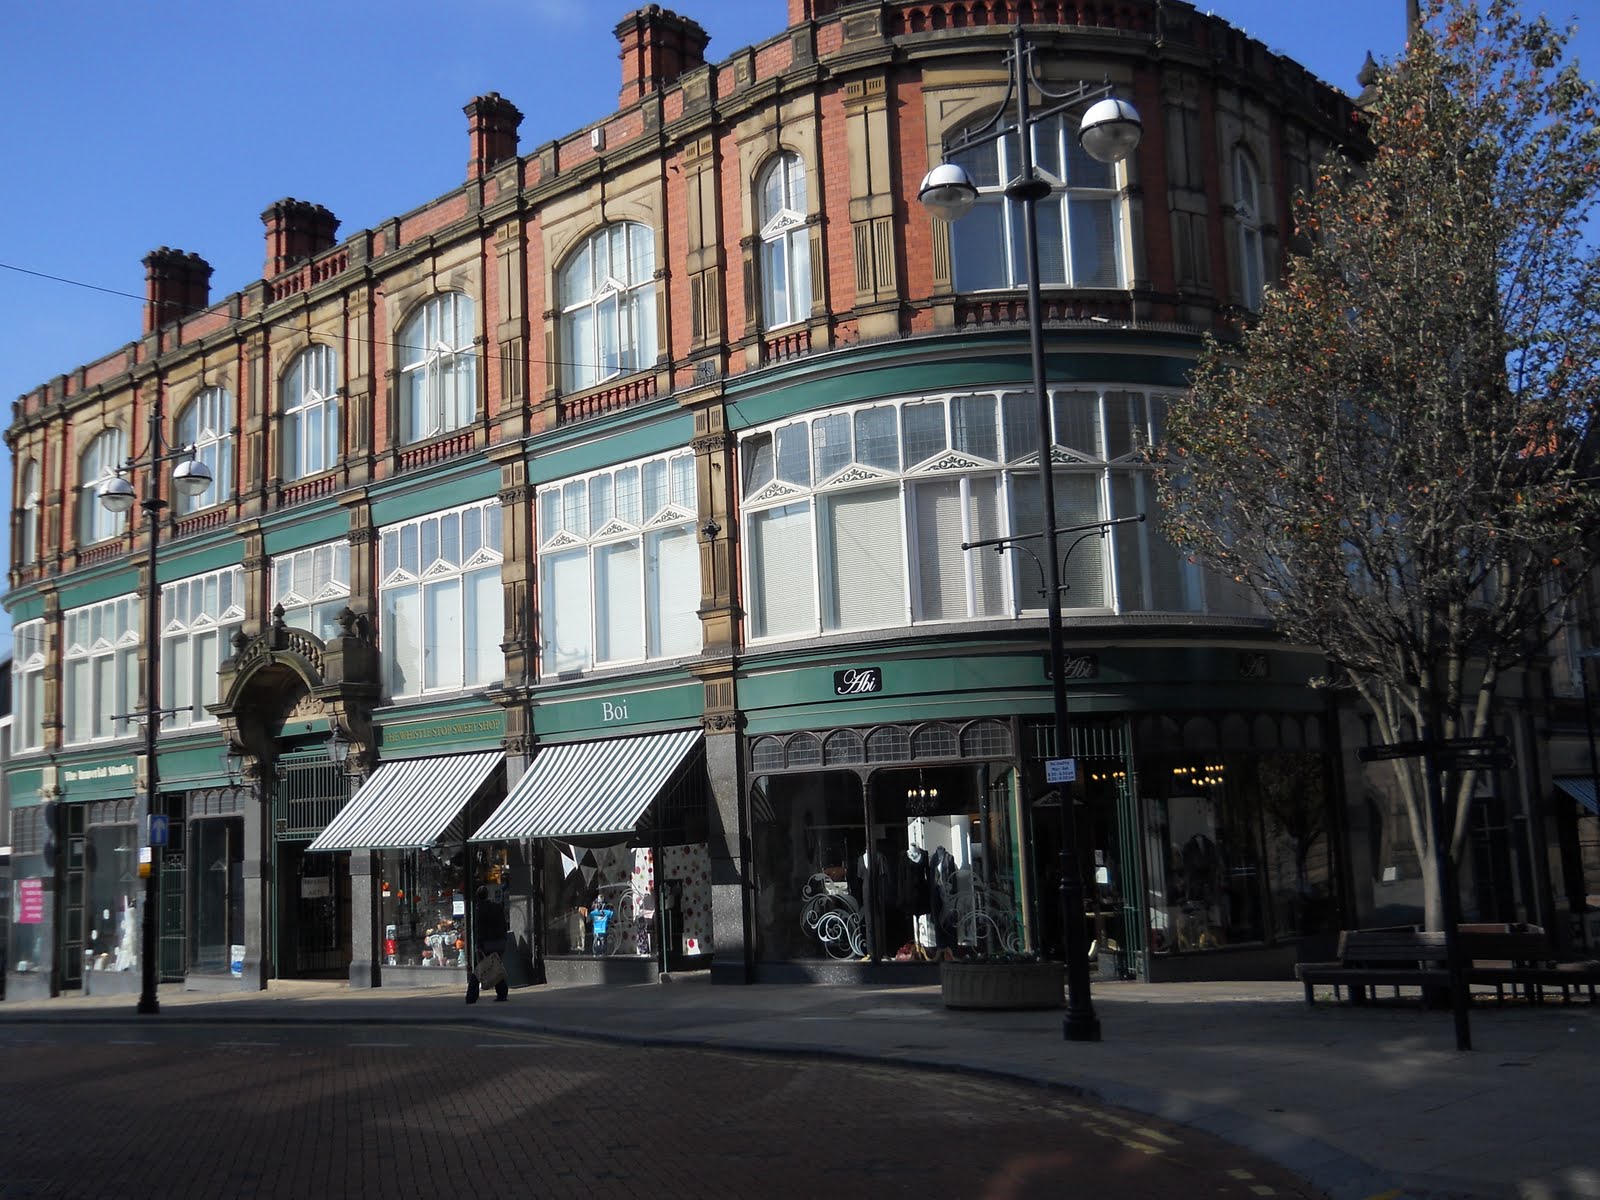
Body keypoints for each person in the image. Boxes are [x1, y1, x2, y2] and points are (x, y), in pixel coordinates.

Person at [466, 885, 509, 1004]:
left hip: (487, 943)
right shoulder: (497, 907)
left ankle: (471, 996)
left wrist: (479, 946)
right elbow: (503, 924)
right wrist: (504, 938)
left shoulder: (479, 909)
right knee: (495, 966)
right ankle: (502, 993)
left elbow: (479, 929)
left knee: (479, 969)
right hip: (500, 942)